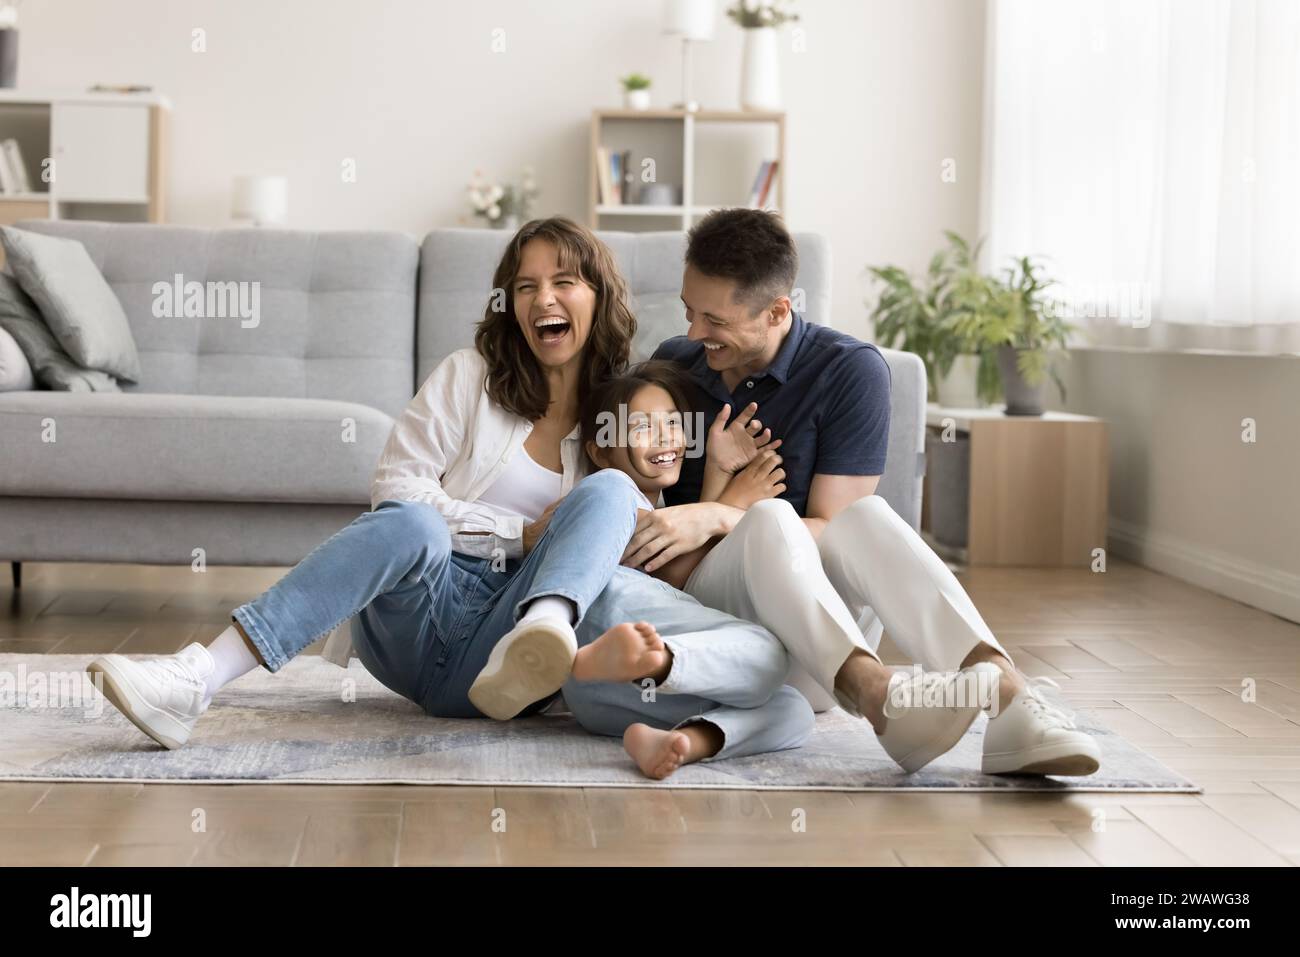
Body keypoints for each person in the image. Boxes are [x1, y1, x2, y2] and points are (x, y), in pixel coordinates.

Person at [574, 208, 1102, 776]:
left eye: (715, 320)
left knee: (864, 517)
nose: (694, 334)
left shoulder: (849, 372)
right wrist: (732, 513)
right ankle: (878, 695)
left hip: (816, 644)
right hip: (716, 635)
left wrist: (714, 515)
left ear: (778, 309)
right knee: (772, 518)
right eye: (688, 311)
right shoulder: (680, 363)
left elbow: (832, 528)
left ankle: (1010, 701)